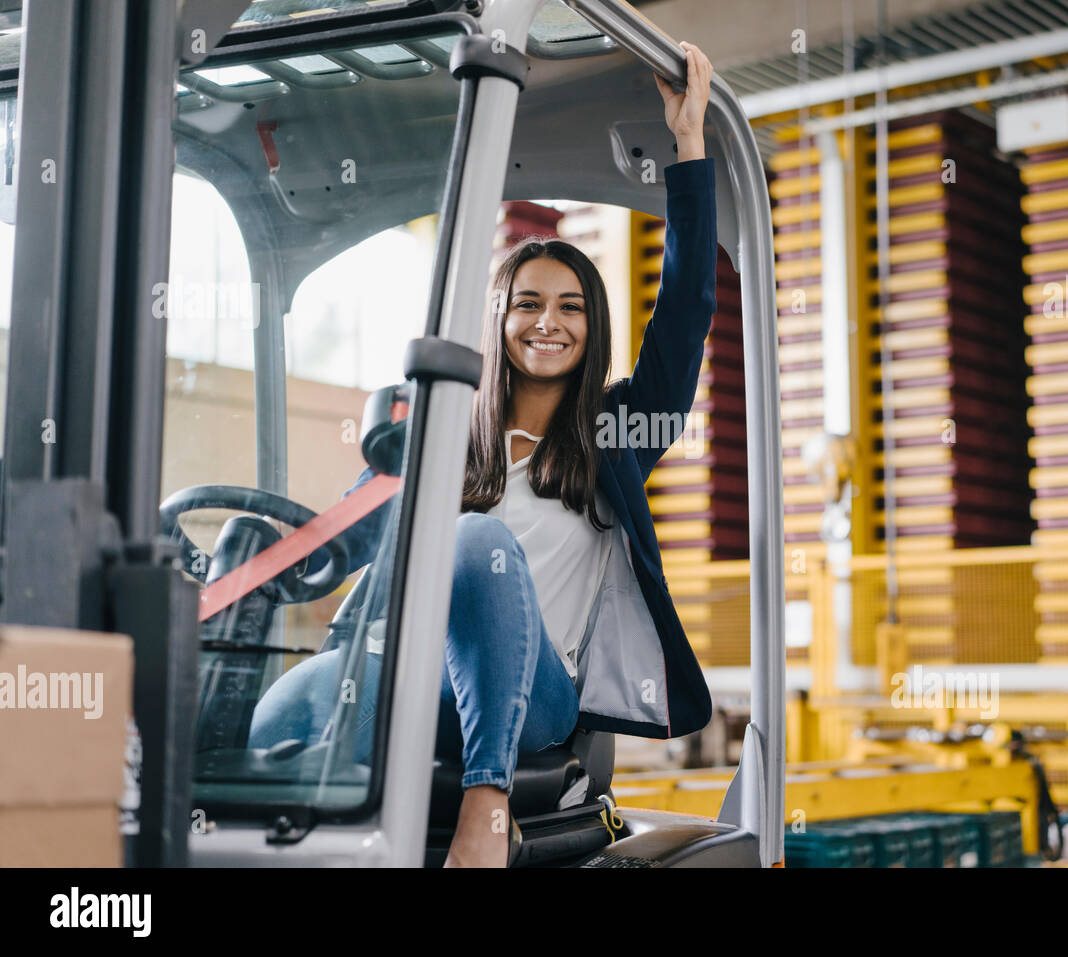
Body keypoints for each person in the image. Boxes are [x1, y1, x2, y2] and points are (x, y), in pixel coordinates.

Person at [249, 41, 718, 867]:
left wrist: (688, 149)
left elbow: (683, 315)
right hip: (415, 679)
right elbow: (342, 546)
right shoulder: (440, 442)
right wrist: (244, 566)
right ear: (498, 320)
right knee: (283, 710)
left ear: (591, 327)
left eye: (571, 307)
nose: (549, 321)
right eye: (529, 303)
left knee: (479, 543)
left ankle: (485, 804)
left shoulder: (615, 436)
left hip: (539, 699)